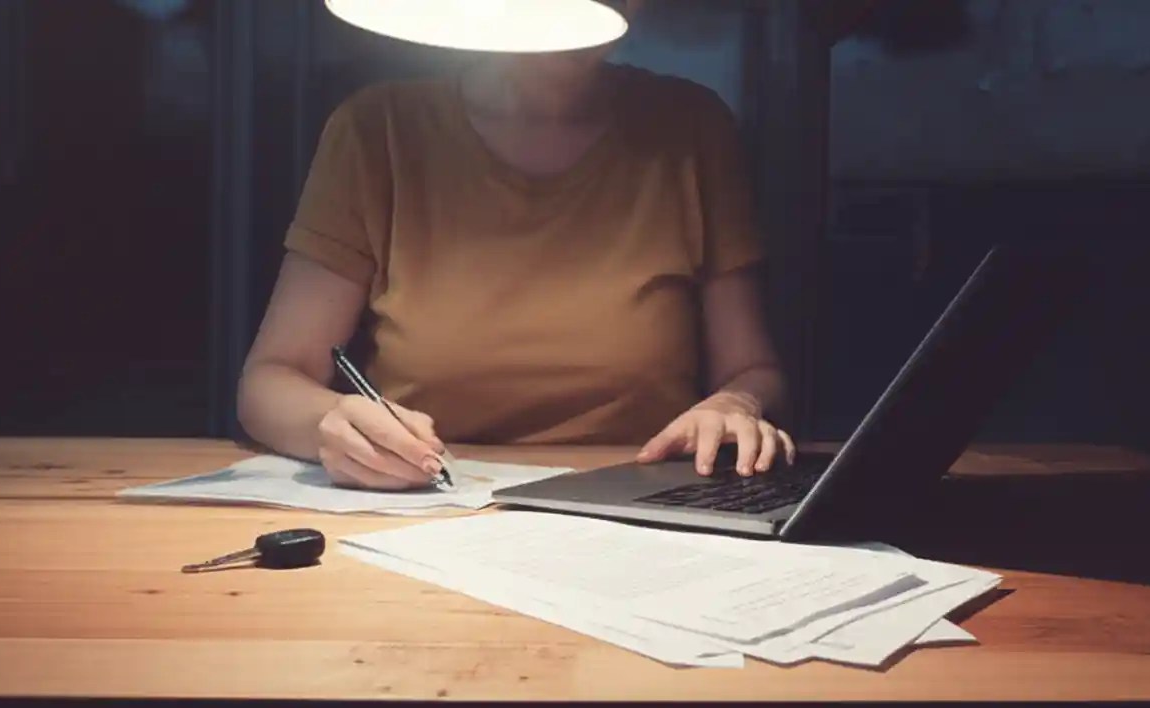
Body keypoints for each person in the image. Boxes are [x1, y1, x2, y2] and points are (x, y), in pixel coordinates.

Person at [236, 0, 796, 491]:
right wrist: (332, 423)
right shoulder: (379, 130)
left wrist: (734, 405)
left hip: (641, 501)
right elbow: (271, 379)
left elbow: (753, 368)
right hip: (425, 494)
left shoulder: (687, 128)